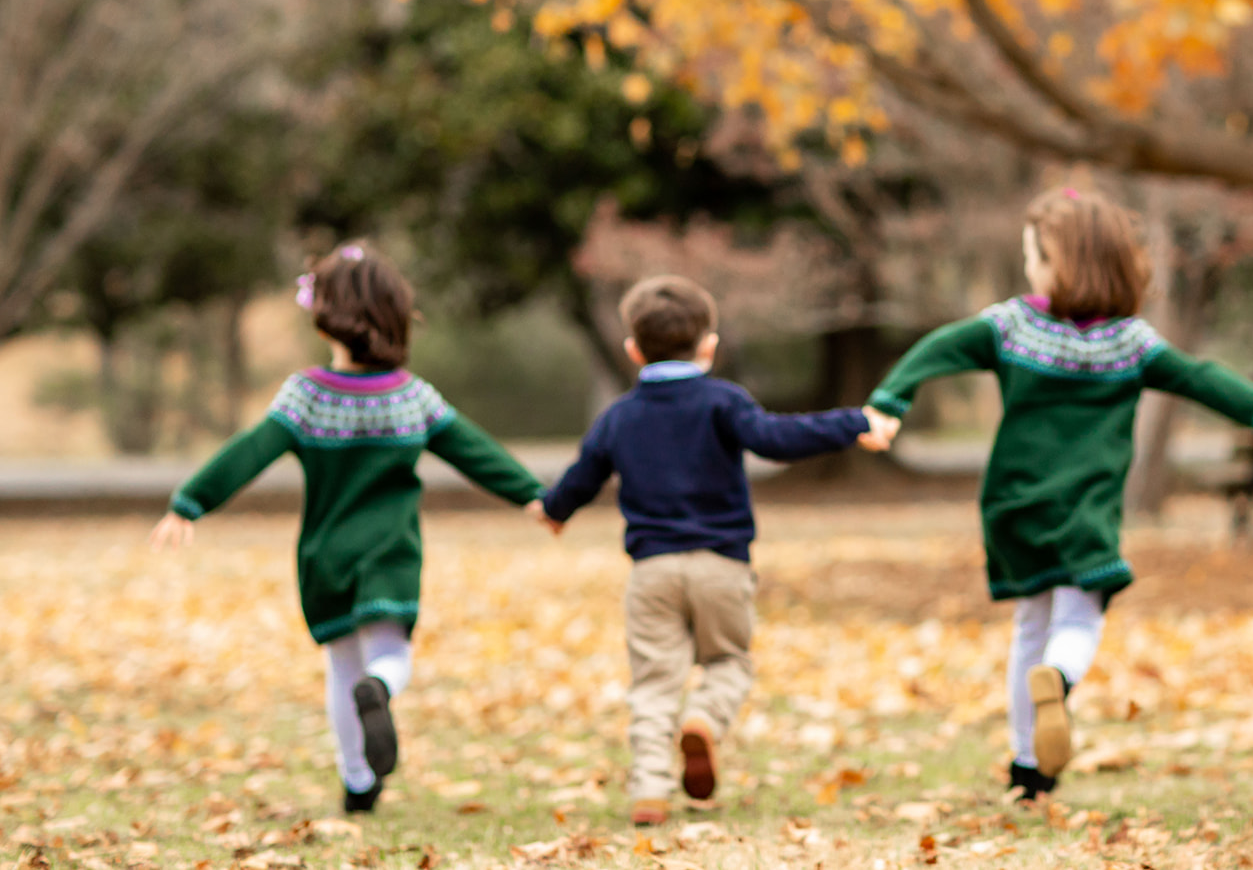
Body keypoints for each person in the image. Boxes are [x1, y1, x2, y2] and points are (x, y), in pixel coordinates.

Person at [862, 188, 1253, 801]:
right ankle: (1059, 683)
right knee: (1078, 621)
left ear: (1063, 263)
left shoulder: (1009, 326)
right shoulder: (1129, 344)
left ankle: (1028, 769)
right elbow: (1198, 377)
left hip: (1013, 506)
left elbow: (936, 347)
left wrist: (890, 401)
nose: (1029, 268)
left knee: (1029, 628)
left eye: (1035, 255)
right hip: (1084, 509)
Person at [149, 243, 545, 814]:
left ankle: (358, 781)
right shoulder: (411, 396)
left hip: (324, 554)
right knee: (389, 653)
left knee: (340, 664)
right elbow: (474, 451)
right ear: (395, 315)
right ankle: (381, 689)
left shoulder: (306, 396)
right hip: (391, 552)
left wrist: (190, 502)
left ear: (323, 316)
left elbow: (250, 451)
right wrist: (533, 495)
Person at [534, 275, 894, 827]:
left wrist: (554, 511)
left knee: (654, 682)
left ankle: (650, 789)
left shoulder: (619, 416)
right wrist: (854, 423)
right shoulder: (723, 401)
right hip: (722, 565)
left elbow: (582, 476)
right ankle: (703, 718)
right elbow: (776, 438)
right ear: (709, 344)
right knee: (729, 662)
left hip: (652, 571)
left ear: (632, 350)